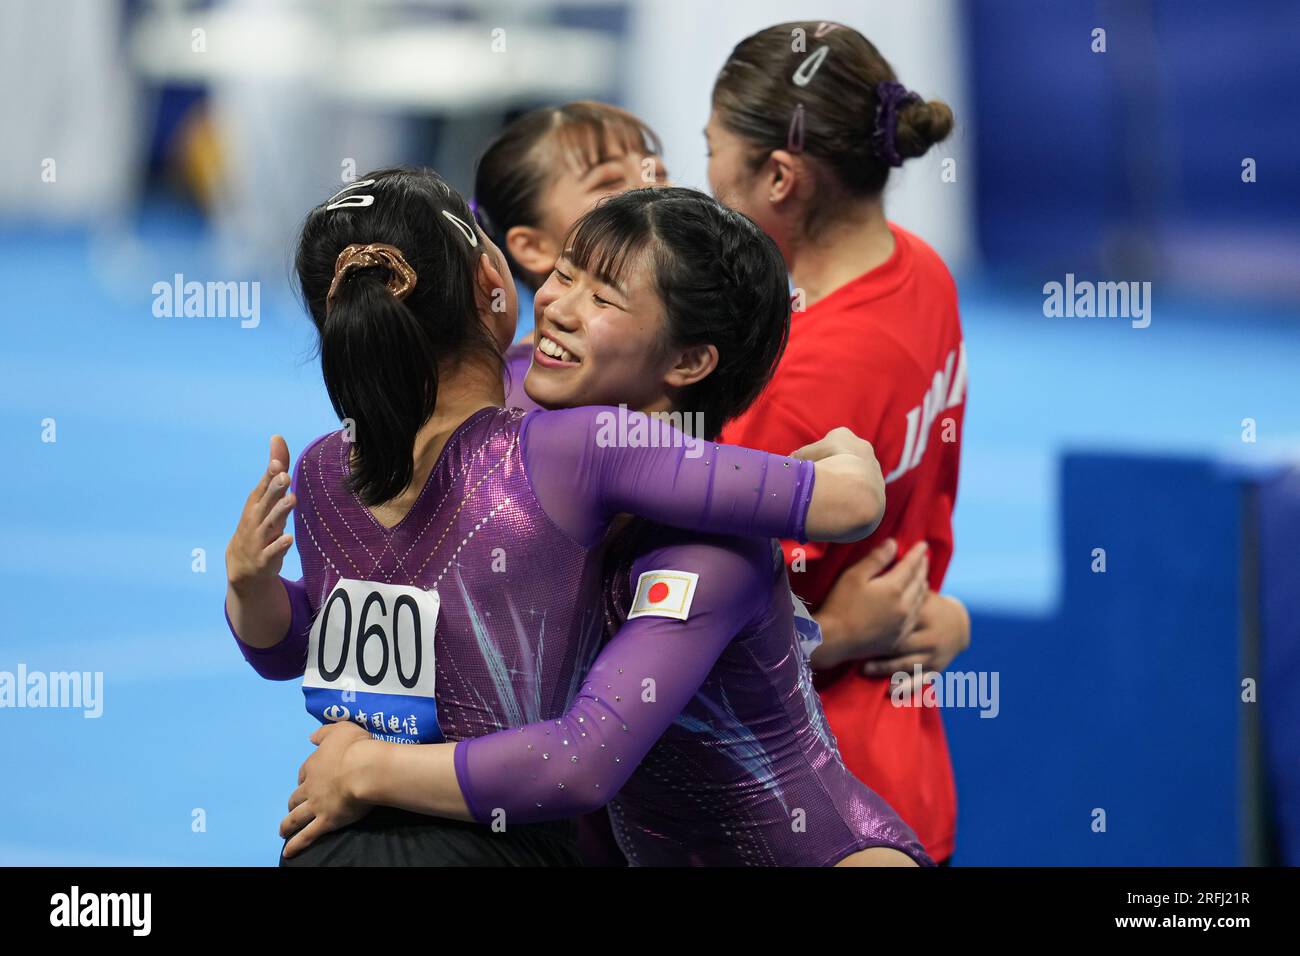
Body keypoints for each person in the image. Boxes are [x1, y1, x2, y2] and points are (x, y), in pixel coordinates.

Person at [224, 167, 887, 865]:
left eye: (602, 295)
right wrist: (253, 586)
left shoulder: (698, 541)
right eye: (563, 274)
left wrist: (363, 769)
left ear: (690, 360)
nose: (557, 305)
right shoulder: (524, 433)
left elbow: (579, 760)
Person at [706, 21, 970, 863]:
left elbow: (690, 643)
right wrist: (945, 617)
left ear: (779, 176)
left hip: (808, 807)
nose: (702, 176)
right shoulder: (922, 271)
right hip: (908, 781)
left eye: (711, 150)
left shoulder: (792, 380)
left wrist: (836, 633)